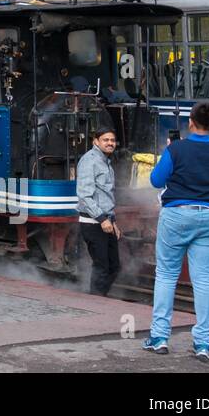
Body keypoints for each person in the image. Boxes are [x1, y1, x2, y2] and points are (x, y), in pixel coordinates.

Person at [144, 102, 209, 362]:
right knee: (204, 280)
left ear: (190, 123)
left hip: (176, 214)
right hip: (208, 216)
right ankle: (203, 343)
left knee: (167, 275)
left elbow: (155, 181)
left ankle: (159, 338)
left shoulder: (177, 149)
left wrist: (171, 156)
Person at [76, 126, 122, 296]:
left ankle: (99, 297)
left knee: (114, 266)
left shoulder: (105, 161)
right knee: (102, 266)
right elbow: (85, 195)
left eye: (112, 140)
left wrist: (112, 221)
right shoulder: (90, 161)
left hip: (106, 221)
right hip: (93, 222)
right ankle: (96, 300)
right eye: (105, 140)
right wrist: (103, 219)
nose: (110, 143)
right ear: (95, 141)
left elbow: (105, 196)